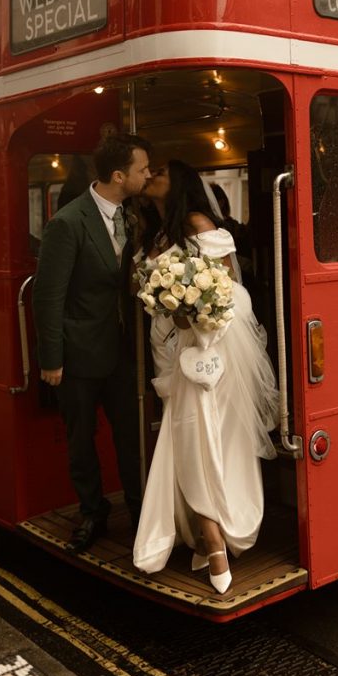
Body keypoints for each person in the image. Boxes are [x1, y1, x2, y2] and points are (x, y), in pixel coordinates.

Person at [133, 160, 278, 594]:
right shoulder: (157, 232)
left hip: (207, 349)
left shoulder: (199, 223)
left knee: (202, 435)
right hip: (170, 349)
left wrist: (194, 318)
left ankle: (214, 537)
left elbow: (231, 292)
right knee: (186, 436)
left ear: (176, 183)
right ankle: (202, 529)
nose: (149, 176)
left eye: (156, 172)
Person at [32, 132, 152, 553]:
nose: (148, 176)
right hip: (78, 355)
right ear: (119, 176)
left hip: (123, 353)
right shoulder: (67, 223)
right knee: (81, 442)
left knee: (131, 438)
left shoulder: (133, 216)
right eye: (143, 170)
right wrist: (52, 359)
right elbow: (48, 296)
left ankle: (142, 516)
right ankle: (92, 511)